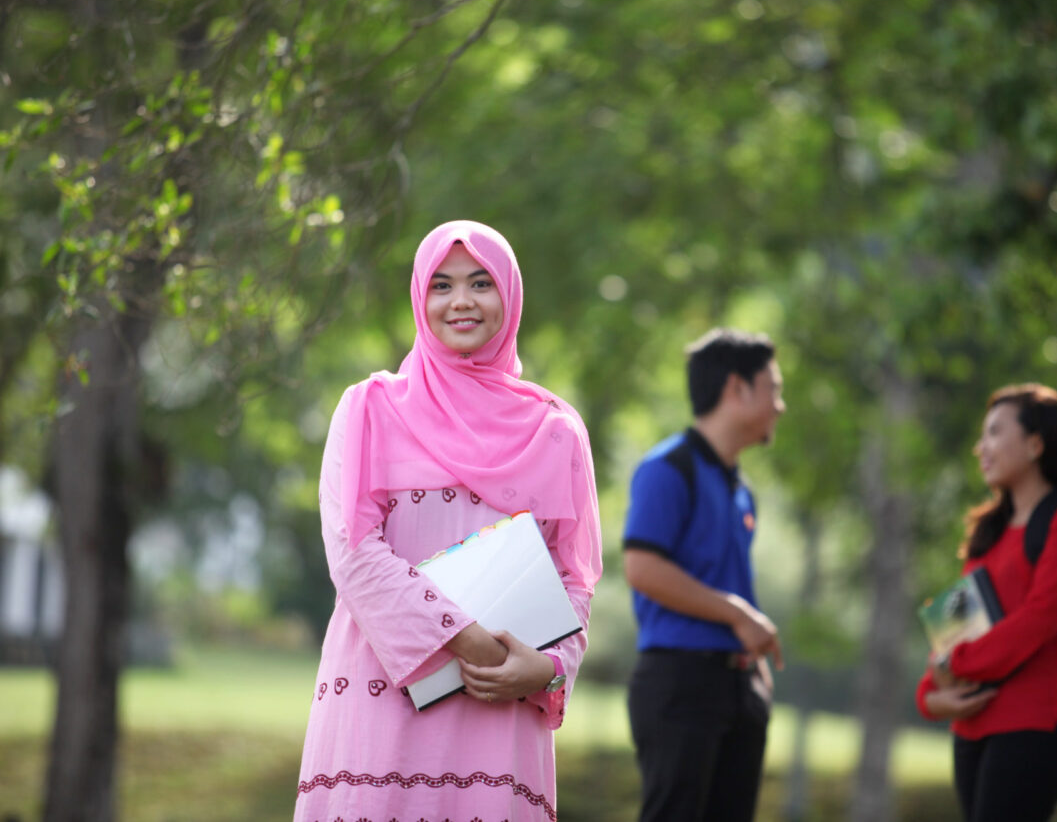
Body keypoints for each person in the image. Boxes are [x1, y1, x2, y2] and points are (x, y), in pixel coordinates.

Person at [293, 220, 602, 822]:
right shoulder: (371, 408)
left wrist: (549, 668)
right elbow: (353, 552)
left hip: (503, 709)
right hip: (384, 705)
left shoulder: (557, 430)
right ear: (419, 297)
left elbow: (576, 579)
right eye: (442, 285)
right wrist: (467, 638)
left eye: (481, 283)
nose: (461, 302)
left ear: (509, 297)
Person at [916, 383, 1057, 822]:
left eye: (995, 433)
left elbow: (1042, 617)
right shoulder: (987, 530)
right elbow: (959, 628)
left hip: (1036, 722)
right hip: (973, 724)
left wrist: (956, 665)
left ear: (1036, 444)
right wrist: (931, 696)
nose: (981, 448)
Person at [622, 327, 787, 822]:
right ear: (737, 389)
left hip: (738, 691)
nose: (781, 405)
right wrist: (738, 615)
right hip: (680, 684)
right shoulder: (667, 468)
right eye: (774, 389)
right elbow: (642, 567)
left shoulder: (743, 489)